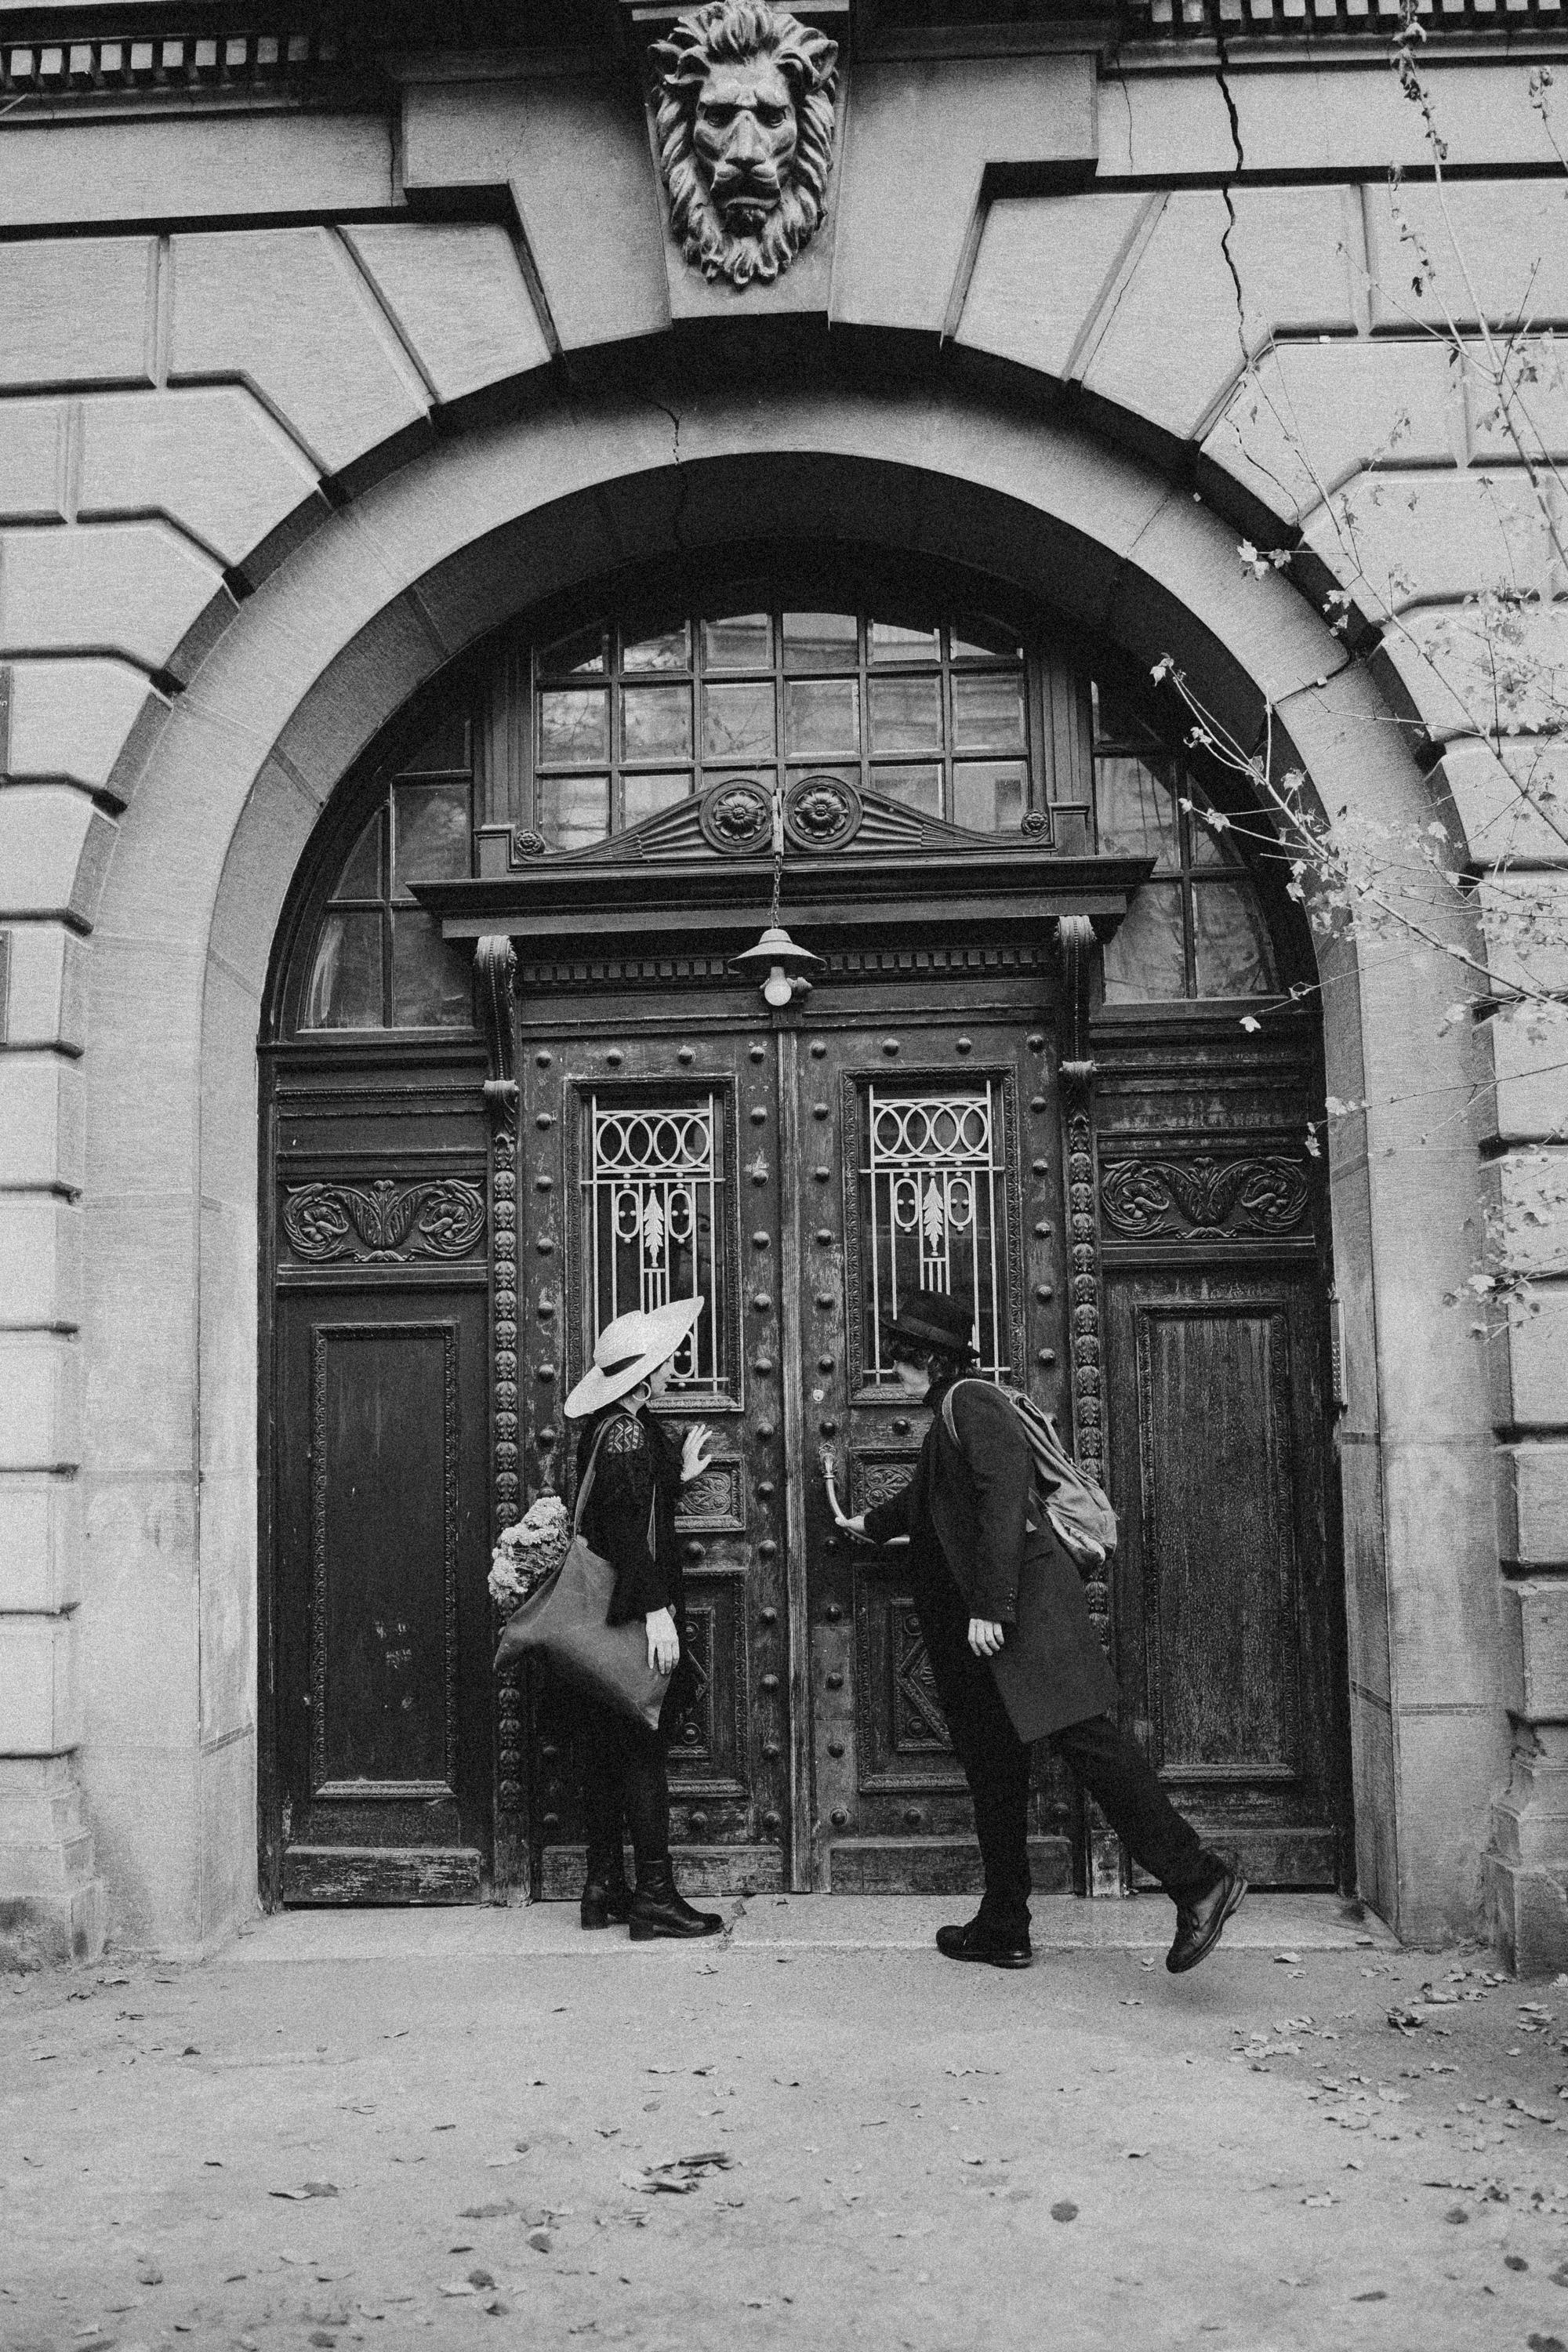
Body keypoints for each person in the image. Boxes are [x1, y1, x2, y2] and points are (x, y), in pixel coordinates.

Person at [833, 1288, 1246, 1973]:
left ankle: (1199, 1880)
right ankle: (1004, 1922)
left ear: (925, 1360)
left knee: (1091, 1746)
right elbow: (935, 1499)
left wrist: (993, 1607)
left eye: (900, 1359)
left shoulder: (974, 1402)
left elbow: (1003, 1503)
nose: (894, 1373)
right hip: (987, 1631)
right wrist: (870, 1526)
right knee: (996, 1770)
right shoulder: (954, 1412)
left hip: (1020, 1618)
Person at [561, 1300, 724, 1941]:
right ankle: (655, 1896)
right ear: (645, 1375)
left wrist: (676, 1480)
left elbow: (621, 1511)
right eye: (665, 1363)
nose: (673, 1371)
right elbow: (628, 1535)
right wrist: (658, 1613)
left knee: (607, 1749)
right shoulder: (627, 1434)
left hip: (603, 1616)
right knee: (641, 1749)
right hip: (630, 1613)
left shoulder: (612, 1428)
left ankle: (604, 1886)